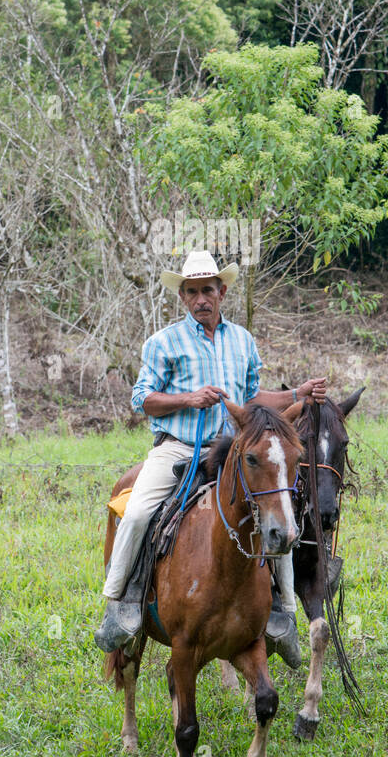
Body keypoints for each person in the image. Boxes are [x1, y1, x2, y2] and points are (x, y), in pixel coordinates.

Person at [94, 249, 326, 666]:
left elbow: (252, 398)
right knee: (139, 510)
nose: (201, 298)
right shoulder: (163, 342)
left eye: (208, 290)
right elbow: (141, 399)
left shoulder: (242, 340)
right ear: (183, 297)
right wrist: (188, 398)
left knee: (279, 515)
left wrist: (298, 394)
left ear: (222, 292)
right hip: (180, 446)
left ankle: (283, 615)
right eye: (192, 291)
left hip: (236, 451)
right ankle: (119, 604)